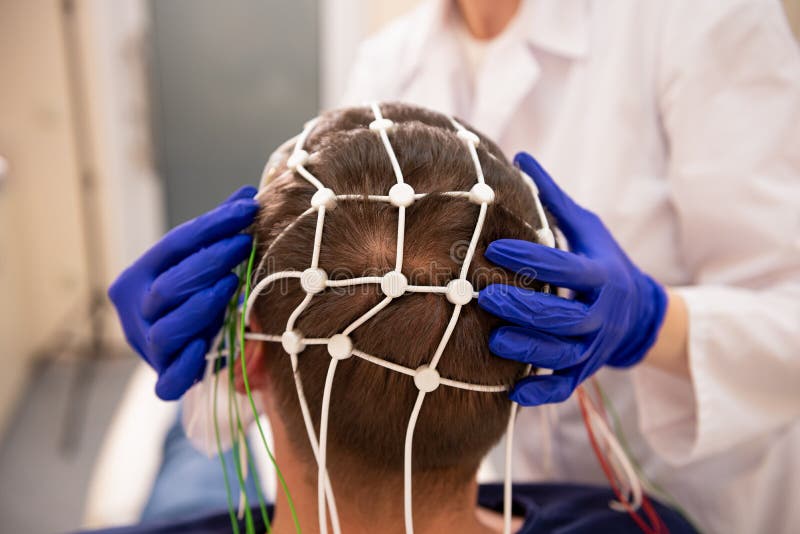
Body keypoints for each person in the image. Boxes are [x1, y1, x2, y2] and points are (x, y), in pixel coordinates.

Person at [108, 1, 800, 532]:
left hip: (708, 490)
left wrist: (658, 323)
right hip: (479, 483)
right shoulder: (391, 59)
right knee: (187, 456)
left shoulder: (699, 21)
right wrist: (232, 346)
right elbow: (346, 321)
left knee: (184, 471)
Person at [96, 103, 695, 534]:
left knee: (191, 451)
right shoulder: (644, 523)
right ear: (535, 354)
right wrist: (651, 321)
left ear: (247, 361)